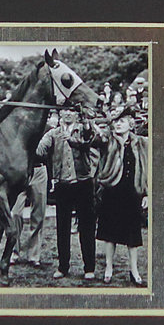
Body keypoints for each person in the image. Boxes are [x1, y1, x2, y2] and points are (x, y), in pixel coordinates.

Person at [36, 109, 97, 280]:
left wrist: (74, 139)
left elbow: (90, 142)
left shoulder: (84, 129)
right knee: (62, 226)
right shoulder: (54, 133)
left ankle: (89, 267)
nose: (68, 114)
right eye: (65, 110)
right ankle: (63, 266)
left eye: (72, 111)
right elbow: (40, 151)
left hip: (83, 182)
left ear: (77, 114)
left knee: (87, 226)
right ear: (60, 113)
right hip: (62, 184)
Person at [93, 113, 149, 285]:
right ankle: (109, 268)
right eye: (116, 122)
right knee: (110, 234)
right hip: (111, 192)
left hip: (132, 194)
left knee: (132, 234)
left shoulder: (140, 143)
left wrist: (146, 193)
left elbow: (146, 168)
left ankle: (134, 271)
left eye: (122, 121)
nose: (118, 124)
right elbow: (95, 140)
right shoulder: (108, 141)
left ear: (130, 125)